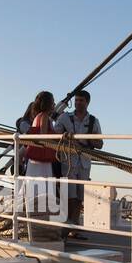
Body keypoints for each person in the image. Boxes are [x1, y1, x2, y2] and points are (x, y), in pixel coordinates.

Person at [55, 91, 103, 239]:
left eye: (81, 100)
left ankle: (73, 227)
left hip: (84, 162)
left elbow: (100, 144)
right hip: (68, 161)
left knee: (80, 197)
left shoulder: (94, 121)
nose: (77, 103)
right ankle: (67, 225)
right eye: (76, 100)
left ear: (87, 102)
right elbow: (53, 136)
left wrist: (86, 140)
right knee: (69, 196)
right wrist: (66, 138)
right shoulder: (64, 117)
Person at [21, 91, 59, 219]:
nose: (54, 104)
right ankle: (40, 218)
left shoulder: (37, 116)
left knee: (34, 189)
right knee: (42, 190)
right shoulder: (44, 117)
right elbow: (43, 138)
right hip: (41, 161)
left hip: (35, 161)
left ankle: (34, 217)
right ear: (48, 103)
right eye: (53, 101)